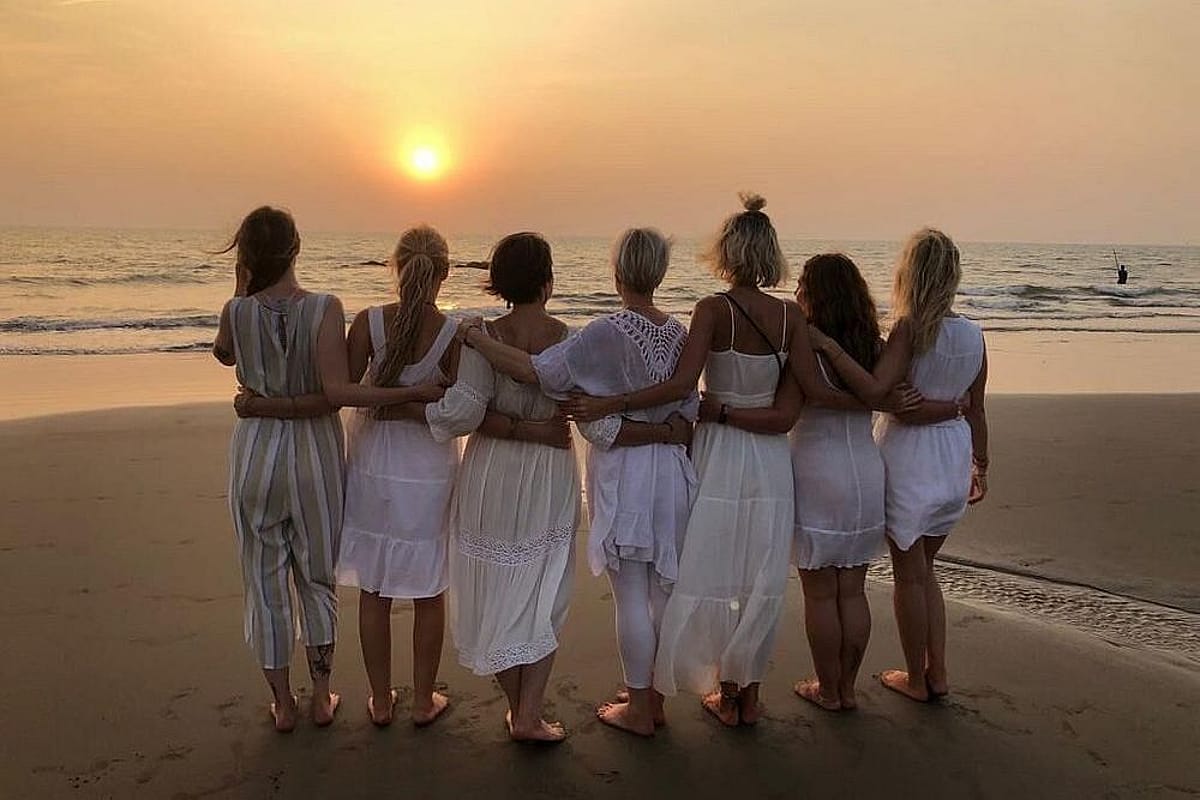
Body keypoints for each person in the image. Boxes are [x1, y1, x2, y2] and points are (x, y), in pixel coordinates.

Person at [566, 195, 868, 726]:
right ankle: (747, 696)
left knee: (714, 572)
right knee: (760, 578)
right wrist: (871, 394)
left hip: (719, 452)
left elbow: (681, 386)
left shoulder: (711, 310)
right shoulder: (790, 317)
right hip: (769, 461)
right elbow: (790, 410)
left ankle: (716, 694)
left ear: (726, 252)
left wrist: (616, 404)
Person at [212, 207, 444, 733]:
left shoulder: (236, 310)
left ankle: (282, 704)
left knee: (264, 582)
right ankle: (321, 698)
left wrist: (241, 287)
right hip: (313, 457)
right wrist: (411, 392)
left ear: (246, 255)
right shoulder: (324, 308)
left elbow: (224, 355)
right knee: (316, 579)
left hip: (255, 455)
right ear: (297, 247)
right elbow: (339, 392)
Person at [462, 228, 695, 737]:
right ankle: (653, 700)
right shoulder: (681, 333)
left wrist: (477, 339)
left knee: (630, 594)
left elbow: (543, 376)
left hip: (626, 473)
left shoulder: (603, 332)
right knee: (662, 591)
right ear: (660, 273)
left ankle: (638, 708)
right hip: (673, 473)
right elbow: (688, 411)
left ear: (617, 273)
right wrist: (666, 433)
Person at [414, 232, 584, 742]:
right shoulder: (570, 339)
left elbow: (464, 413)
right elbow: (574, 403)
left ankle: (520, 710)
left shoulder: (481, 335)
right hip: (549, 472)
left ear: (499, 282)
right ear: (548, 281)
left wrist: (415, 403)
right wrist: (537, 428)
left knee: (493, 592)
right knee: (544, 591)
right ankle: (528, 713)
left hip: (492, 472)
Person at [812, 227, 989, 703]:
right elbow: (976, 408)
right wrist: (981, 465)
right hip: (952, 455)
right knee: (926, 570)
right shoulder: (974, 335)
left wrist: (831, 348)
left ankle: (915, 677)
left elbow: (880, 392)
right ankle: (938, 671)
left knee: (909, 574)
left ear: (911, 274)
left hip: (911, 458)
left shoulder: (910, 331)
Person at [334, 225, 460, 727]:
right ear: (444, 272)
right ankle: (423, 700)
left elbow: (345, 390)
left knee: (375, 587)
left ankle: (382, 700)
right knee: (429, 589)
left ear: (396, 267)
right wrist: (416, 397)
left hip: (374, 463)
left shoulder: (369, 322)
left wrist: (389, 397)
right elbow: (455, 408)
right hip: (427, 465)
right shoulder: (453, 333)